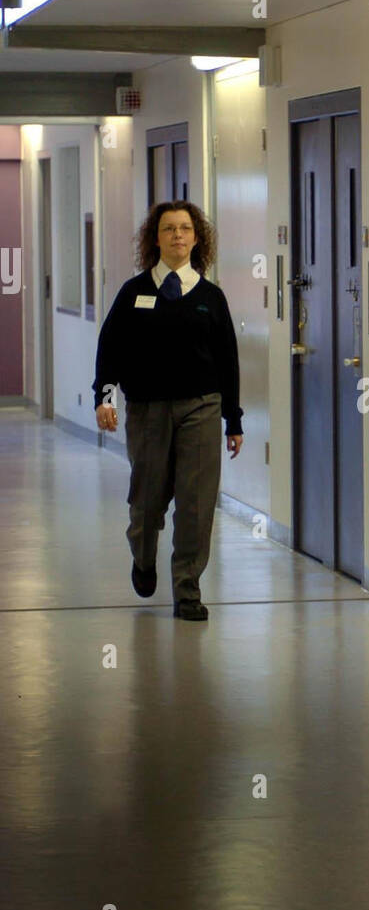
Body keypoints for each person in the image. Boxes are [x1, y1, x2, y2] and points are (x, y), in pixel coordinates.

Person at [92, 200, 243, 621]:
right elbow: (110, 350)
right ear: (154, 238)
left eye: (185, 229)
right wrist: (105, 397)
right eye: (168, 229)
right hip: (147, 411)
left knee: (195, 505)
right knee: (146, 502)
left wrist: (233, 419)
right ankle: (143, 557)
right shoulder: (133, 292)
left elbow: (227, 361)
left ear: (197, 238)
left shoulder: (211, 298)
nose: (177, 236)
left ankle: (187, 591)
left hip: (202, 408)